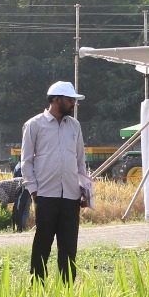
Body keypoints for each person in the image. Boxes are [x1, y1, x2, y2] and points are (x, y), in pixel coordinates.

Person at [21, 81, 90, 281]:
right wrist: (34, 191)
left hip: (71, 195)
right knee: (42, 244)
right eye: (70, 100)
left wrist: (84, 189)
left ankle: (67, 289)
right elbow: (26, 162)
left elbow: (80, 161)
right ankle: (37, 285)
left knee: (69, 246)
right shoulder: (34, 125)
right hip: (45, 195)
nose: (73, 104)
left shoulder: (75, 126)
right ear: (56, 100)